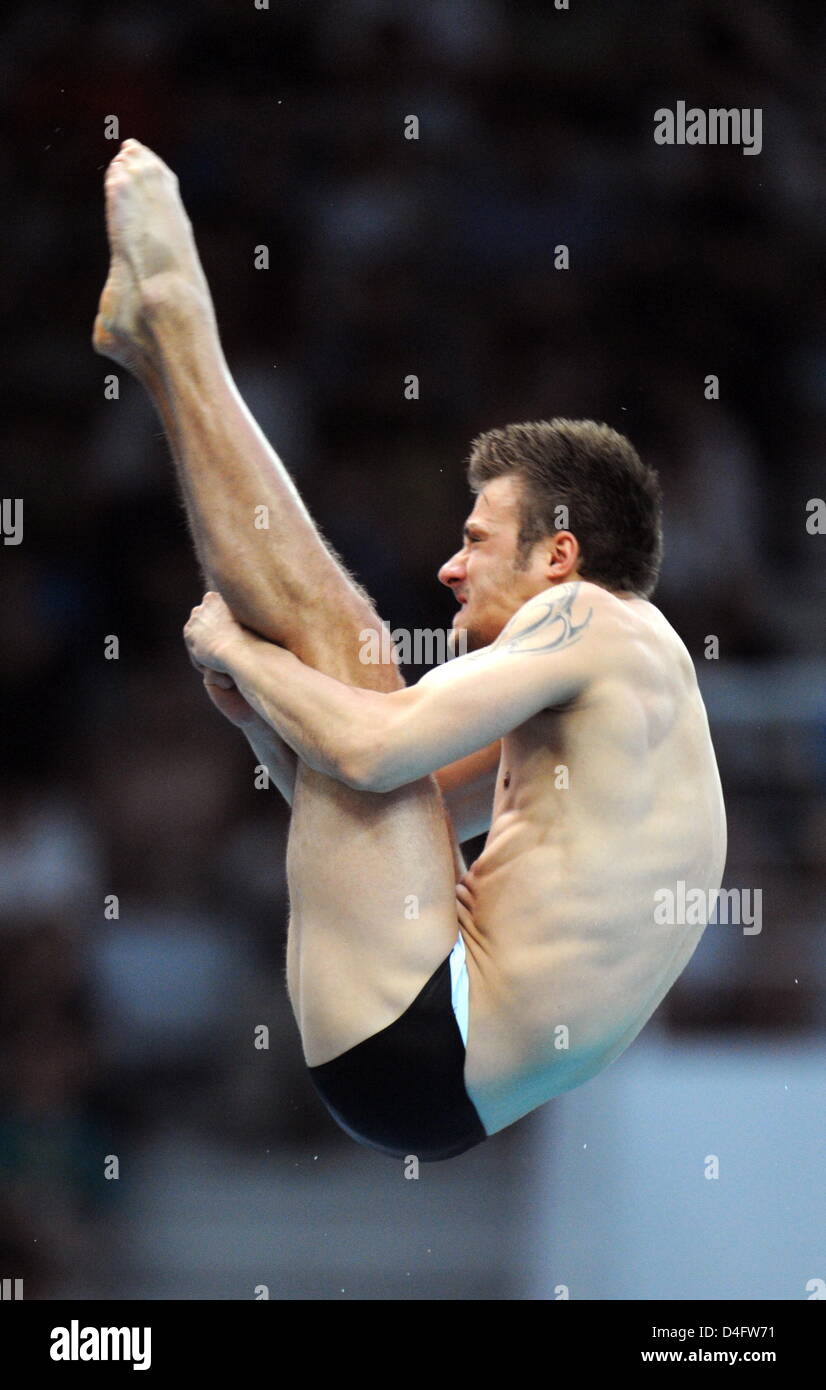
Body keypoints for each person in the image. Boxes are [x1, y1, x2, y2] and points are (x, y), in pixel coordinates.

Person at [94, 140, 726, 1161]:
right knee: (344, 669)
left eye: (476, 539)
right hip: (428, 1069)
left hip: (434, 1025)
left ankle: (175, 322)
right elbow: (378, 799)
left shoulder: (596, 620)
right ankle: (162, 341)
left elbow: (373, 752)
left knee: (348, 649)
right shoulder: (620, 700)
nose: (447, 566)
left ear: (558, 554)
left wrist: (241, 652)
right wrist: (265, 720)